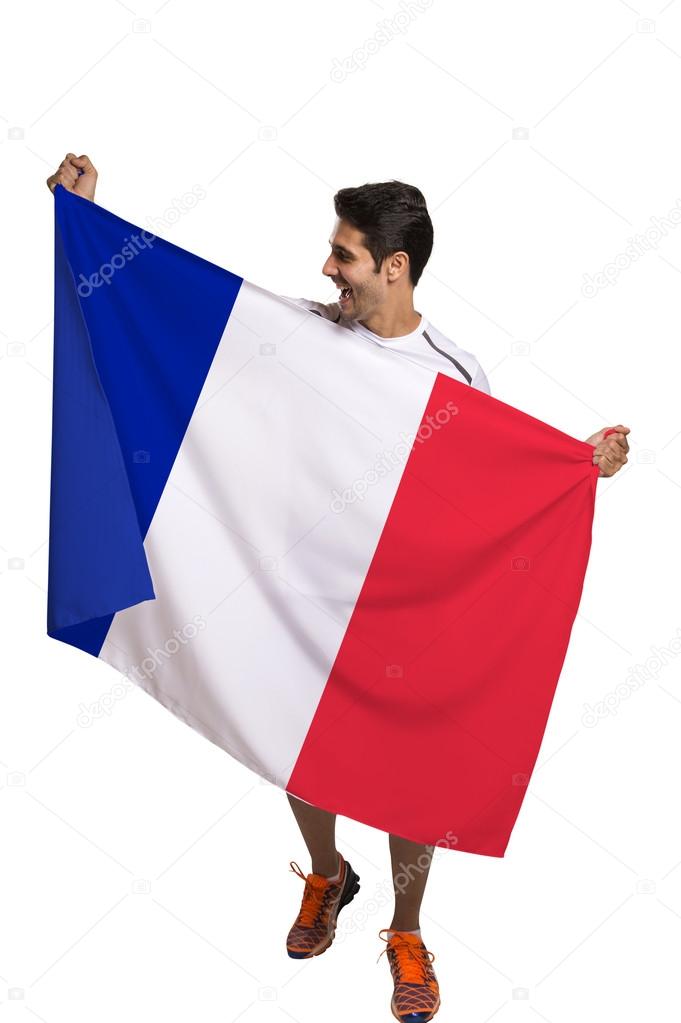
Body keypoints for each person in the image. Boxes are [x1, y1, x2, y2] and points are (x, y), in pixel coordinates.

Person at [47, 154, 630, 1023]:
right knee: (290, 735)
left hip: (402, 609)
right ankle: (327, 871)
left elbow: (488, 487)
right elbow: (171, 310)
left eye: (344, 255)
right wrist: (86, 220)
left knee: (413, 772)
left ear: (393, 267)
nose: (327, 268)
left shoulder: (452, 372)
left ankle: (404, 928)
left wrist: (576, 468)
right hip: (302, 596)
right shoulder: (302, 335)